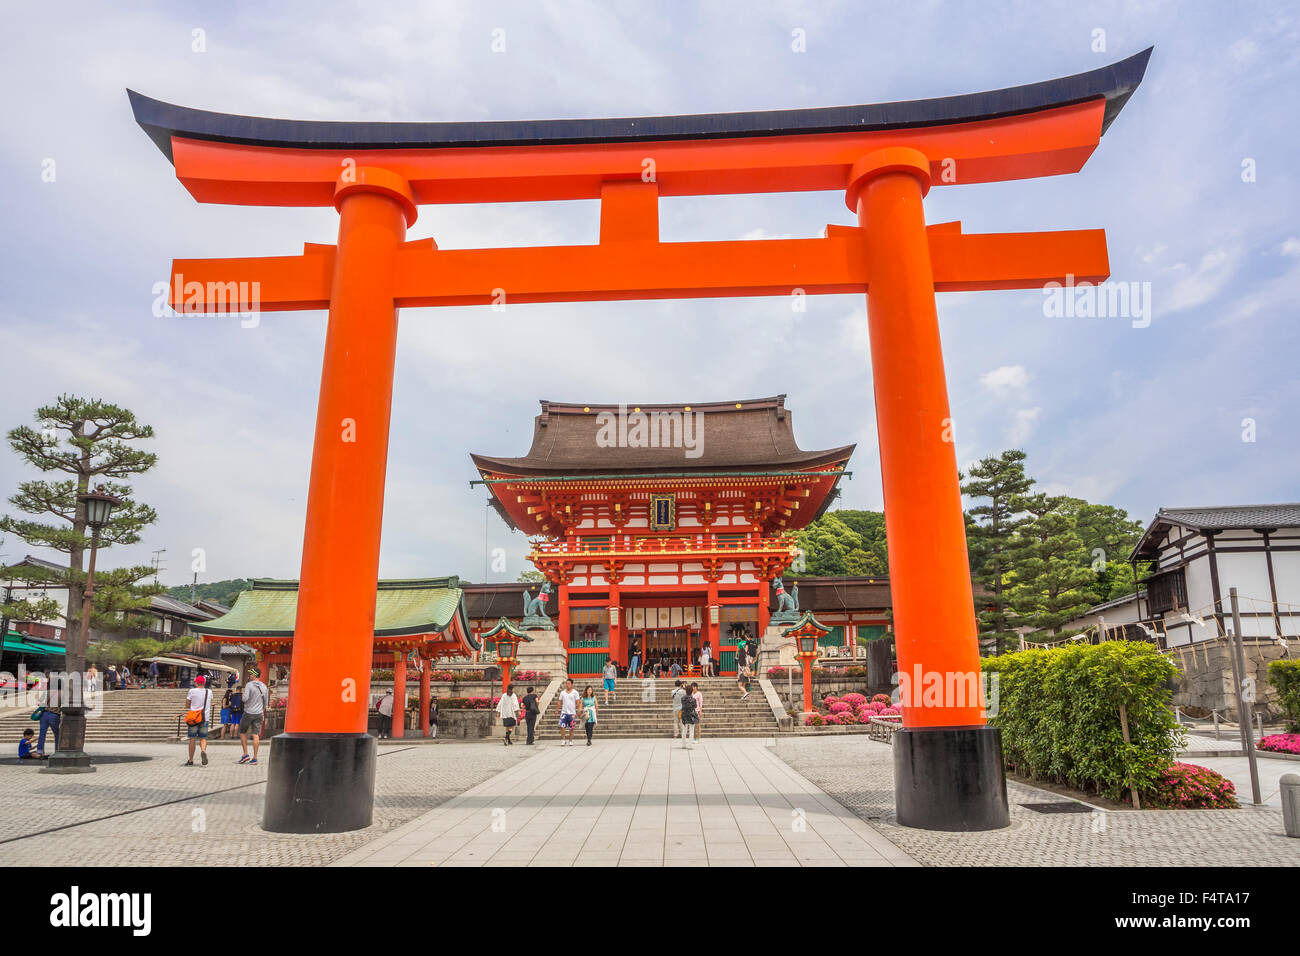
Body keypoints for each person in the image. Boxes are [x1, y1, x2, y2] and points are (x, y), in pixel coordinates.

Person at [179, 675, 213, 766]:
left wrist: (194, 706)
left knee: (192, 739)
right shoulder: (209, 692)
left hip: (194, 718)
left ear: (197, 682)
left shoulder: (192, 691)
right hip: (205, 718)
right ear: (204, 683)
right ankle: (203, 751)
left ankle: (190, 760)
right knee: (203, 738)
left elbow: (187, 704)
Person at [238, 667, 268, 764]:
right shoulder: (264, 686)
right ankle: (255, 758)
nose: (250, 675)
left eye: (251, 674)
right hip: (259, 713)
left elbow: (245, 699)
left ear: (254, 675)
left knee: (242, 732)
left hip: (248, 712)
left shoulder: (249, 685)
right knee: (256, 734)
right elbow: (266, 702)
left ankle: (245, 754)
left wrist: (242, 697)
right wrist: (261, 710)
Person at [557, 678, 581, 746]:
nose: (567, 685)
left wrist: (578, 710)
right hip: (564, 712)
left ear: (572, 684)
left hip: (572, 713)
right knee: (562, 726)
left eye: (569, 683)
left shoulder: (575, 692)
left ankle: (570, 740)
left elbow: (578, 702)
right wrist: (557, 710)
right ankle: (563, 740)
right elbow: (559, 702)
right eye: (566, 683)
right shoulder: (562, 692)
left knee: (571, 728)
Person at [679, 681, 698, 749]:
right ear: (692, 691)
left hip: (684, 714)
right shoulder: (693, 699)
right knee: (691, 730)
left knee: (684, 730)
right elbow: (695, 706)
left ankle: (683, 744)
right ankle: (690, 745)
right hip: (691, 715)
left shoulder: (682, 698)